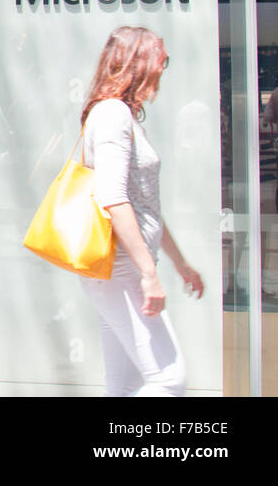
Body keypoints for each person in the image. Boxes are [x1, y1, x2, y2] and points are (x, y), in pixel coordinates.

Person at [79, 26, 201, 396]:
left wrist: (179, 264)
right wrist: (149, 274)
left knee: (124, 383)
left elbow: (144, 206)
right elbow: (113, 198)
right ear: (137, 63)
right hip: (120, 267)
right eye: (159, 59)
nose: (163, 68)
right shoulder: (113, 114)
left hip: (120, 266)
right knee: (168, 379)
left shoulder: (120, 115)